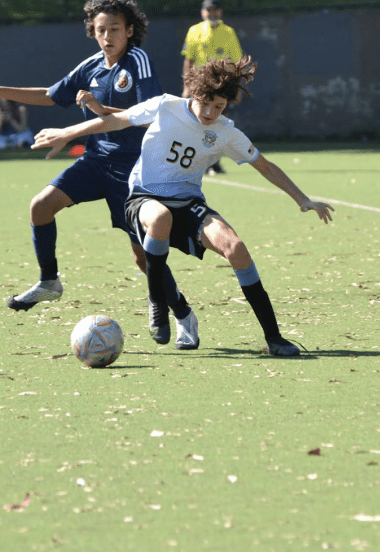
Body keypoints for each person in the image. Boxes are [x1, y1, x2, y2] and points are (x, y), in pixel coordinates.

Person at [31, 56, 335, 356]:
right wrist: (67, 133)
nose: (210, 112)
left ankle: (275, 338)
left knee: (236, 247)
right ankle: (157, 304)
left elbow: (266, 167)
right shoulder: (166, 105)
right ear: (196, 93)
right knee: (161, 218)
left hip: (188, 203)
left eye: (219, 107)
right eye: (207, 102)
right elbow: (116, 120)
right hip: (144, 198)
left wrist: (302, 198)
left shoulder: (226, 132)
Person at [0, 0, 195, 346]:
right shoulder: (90, 66)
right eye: (101, 30)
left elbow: (149, 114)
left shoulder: (138, 62)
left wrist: (99, 107)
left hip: (133, 171)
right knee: (40, 206)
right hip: (95, 162)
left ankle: (182, 313)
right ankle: (49, 282)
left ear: (130, 30)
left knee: (143, 257)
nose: (107, 37)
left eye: (115, 29)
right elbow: (51, 95)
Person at [181, 0, 244, 175]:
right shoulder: (194, 31)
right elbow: (189, 60)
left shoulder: (228, 32)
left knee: (217, 125)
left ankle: (213, 162)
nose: (212, 14)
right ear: (203, 13)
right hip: (201, 87)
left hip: (222, 87)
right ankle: (199, 162)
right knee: (199, 125)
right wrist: (187, 86)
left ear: (220, 12)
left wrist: (236, 89)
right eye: (209, 10)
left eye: (215, 10)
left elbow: (235, 63)